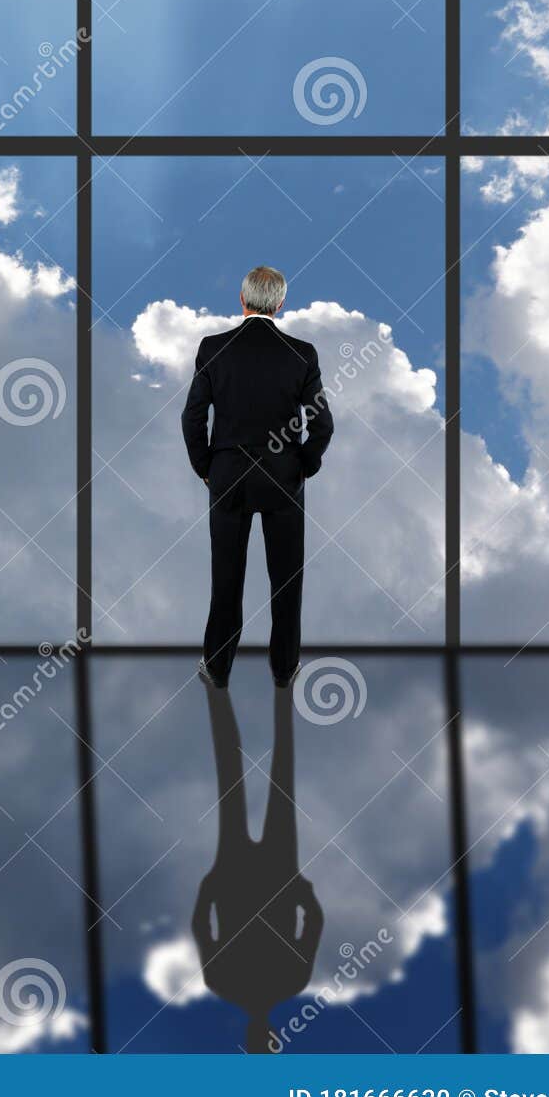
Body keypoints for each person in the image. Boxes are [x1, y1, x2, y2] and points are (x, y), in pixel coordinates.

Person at [181, 266, 333, 689]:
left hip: (227, 475)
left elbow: (193, 417)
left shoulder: (213, 348)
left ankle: (217, 668)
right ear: (280, 303)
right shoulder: (302, 353)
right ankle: (284, 669)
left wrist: (206, 467)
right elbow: (322, 425)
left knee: (226, 578)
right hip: (283, 478)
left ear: (242, 299)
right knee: (286, 580)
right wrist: (303, 467)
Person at [191, 674, 324, 1053]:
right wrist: (209, 888)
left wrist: (303, 892)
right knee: (233, 776)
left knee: (278, 775)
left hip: (268, 877)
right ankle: (222, 690)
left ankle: (279, 689)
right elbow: (201, 926)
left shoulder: (291, 982)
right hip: (247, 878)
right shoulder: (221, 983)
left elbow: (314, 922)